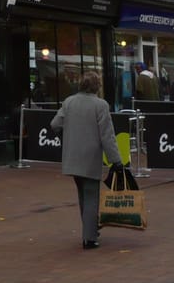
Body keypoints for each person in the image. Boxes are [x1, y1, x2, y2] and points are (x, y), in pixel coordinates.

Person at [50, 70, 123, 250]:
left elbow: (55, 124)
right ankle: (89, 237)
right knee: (91, 196)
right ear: (97, 86)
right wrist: (116, 160)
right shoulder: (101, 105)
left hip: (72, 156)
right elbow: (107, 135)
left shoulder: (69, 102)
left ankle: (89, 231)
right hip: (90, 156)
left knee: (83, 195)